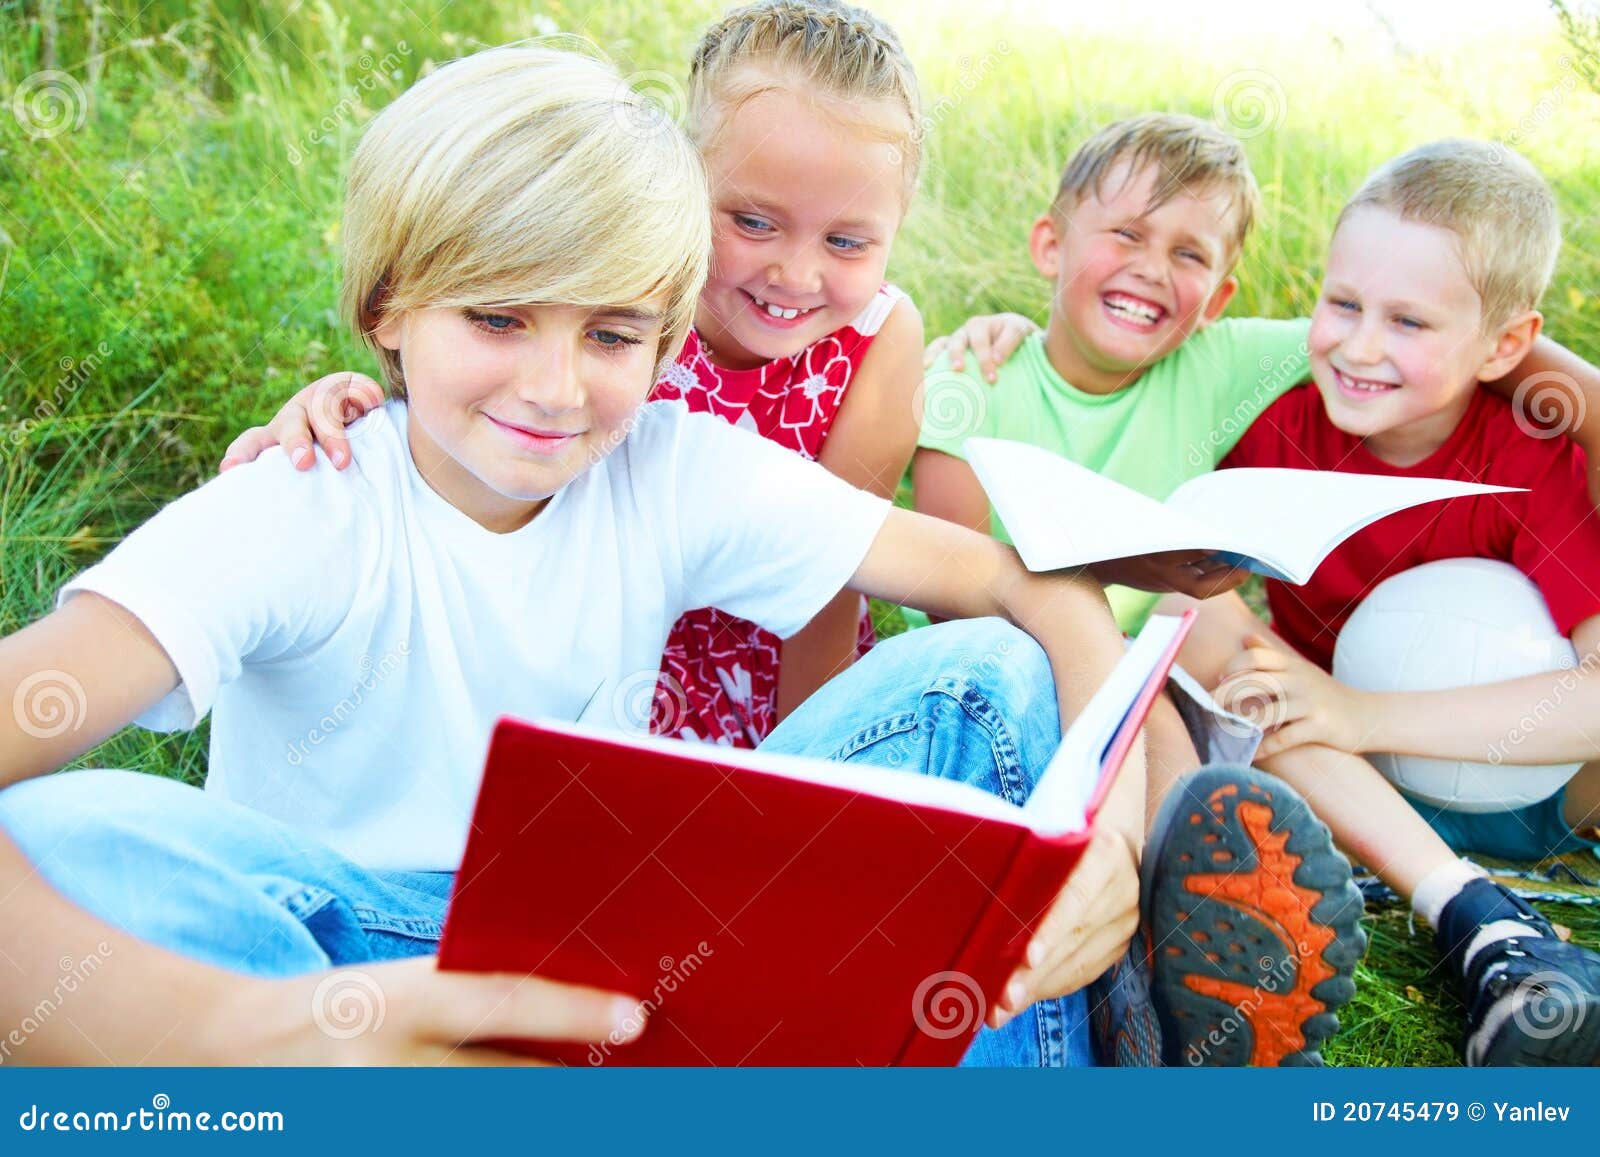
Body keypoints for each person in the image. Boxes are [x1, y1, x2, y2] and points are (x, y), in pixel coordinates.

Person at [0, 41, 1161, 1068]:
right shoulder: (308, 498)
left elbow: (1019, 583)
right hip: (339, 956)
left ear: (664, 343)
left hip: (617, 954)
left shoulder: (663, 464)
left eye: (609, 334)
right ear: (389, 310)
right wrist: (255, 1035)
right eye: (499, 318)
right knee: (73, 834)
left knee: (983, 678)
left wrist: (1106, 836)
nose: (556, 390)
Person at [221, 0, 929, 751]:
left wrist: (797, 768)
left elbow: (833, 574)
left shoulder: (879, 339)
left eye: (848, 240)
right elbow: (471, 397)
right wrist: (342, 401)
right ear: (685, 179)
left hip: (780, 672)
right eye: (753, 222)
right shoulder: (618, 305)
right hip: (596, 642)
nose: (795, 272)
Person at [1167, 140, 1600, 1066]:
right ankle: (1471, 923)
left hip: (1535, 791)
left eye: (1409, 321)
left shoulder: (1532, 454)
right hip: (1336, 782)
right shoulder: (1273, 425)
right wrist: (994, 340)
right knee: (1206, 632)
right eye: (1343, 304)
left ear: (1507, 346)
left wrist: (1365, 713)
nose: (1359, 347)